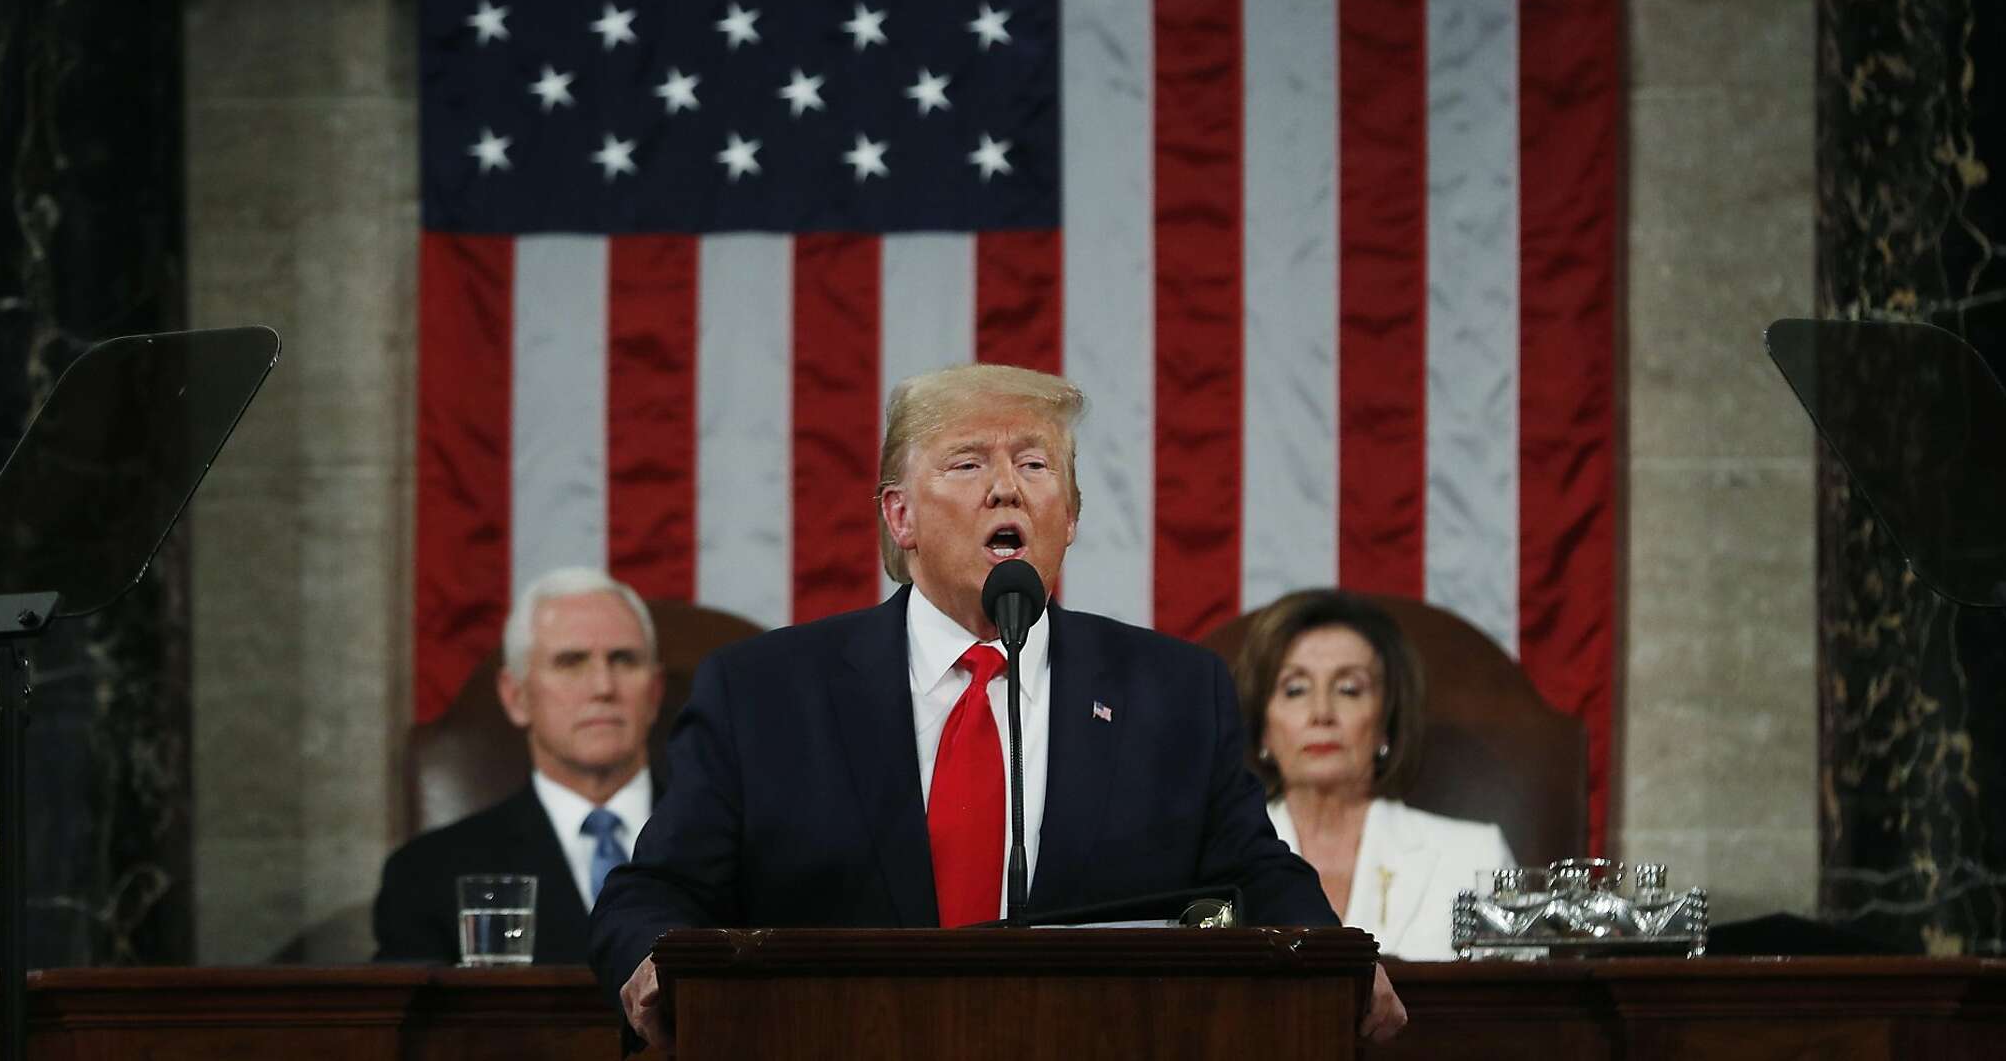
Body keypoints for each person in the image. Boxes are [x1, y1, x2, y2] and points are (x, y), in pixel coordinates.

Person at [589, 364, 1407, 1049]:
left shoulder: (1172, 690)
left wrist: (1335, 960)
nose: (1006, 487)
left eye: (1035, 464)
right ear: (898, 515)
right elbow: (649, 894)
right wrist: (649, 968)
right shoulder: (763, 694)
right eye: (968, 462)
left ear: (1072, 517)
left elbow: (1256, 874)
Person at [373, 567, 664, 963]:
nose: (603, 687)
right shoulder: (428, 876)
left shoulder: (733, 849)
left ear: (655, 692)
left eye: (624, 660)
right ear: (516, 696)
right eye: (571, 662)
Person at [1237, 588, 1514, 960]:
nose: (1321, 713)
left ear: (1386, 722)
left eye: (1349, 689)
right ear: (1263, 729)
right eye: (1296, 689)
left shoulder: (1473, 858)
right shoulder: (1218, 865)